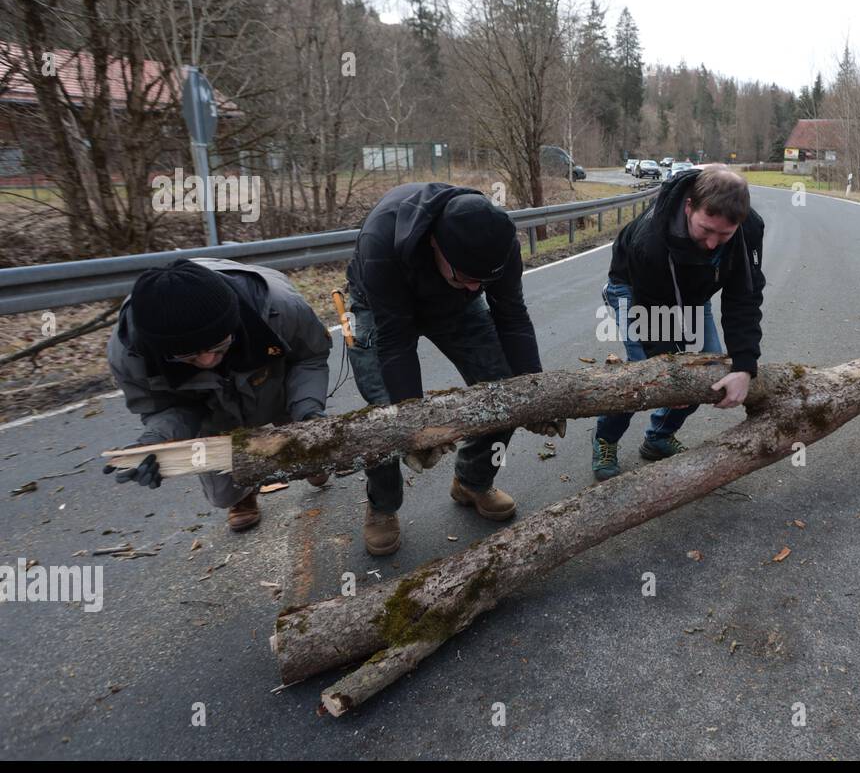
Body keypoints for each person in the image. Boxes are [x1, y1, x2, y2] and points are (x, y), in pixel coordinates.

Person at [345, 183, 562, 556]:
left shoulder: (500, 241)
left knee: (503, 389)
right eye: (466, 276)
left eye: (483, 280)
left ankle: (472, 480)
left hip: (454, 307)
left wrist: (534, 391)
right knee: (385, 415)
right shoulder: (381, 239)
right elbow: (396, 340)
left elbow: (512, 317)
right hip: (379, 306)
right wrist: (415, 425)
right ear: (435, 244)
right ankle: (382, 507)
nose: (476, 285)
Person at [105, 258, 332, 531]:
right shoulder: (129, 355)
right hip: (212, 411)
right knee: (223, 495)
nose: (208, 360)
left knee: (315, 451)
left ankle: (308, 457)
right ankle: (245, 494)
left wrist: (308, 412)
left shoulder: (281, 307)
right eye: (189, 356)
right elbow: (162, 407)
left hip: (276, 386)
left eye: (219, 345)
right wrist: (156, 441)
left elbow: (309, 358)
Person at [592, 164, 765, 480]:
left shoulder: (749, 230)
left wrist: (744, 366)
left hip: (694, 293)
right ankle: (606, 439)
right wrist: (670, 374)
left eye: (723, 234)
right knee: (644, 375)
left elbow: (744, 298)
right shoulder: (651, 240)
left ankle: (658, 436)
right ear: (689, 207)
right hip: (634, 290)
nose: (713, 243)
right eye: (706, 230)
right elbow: (653, 317)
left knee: (710, 373)